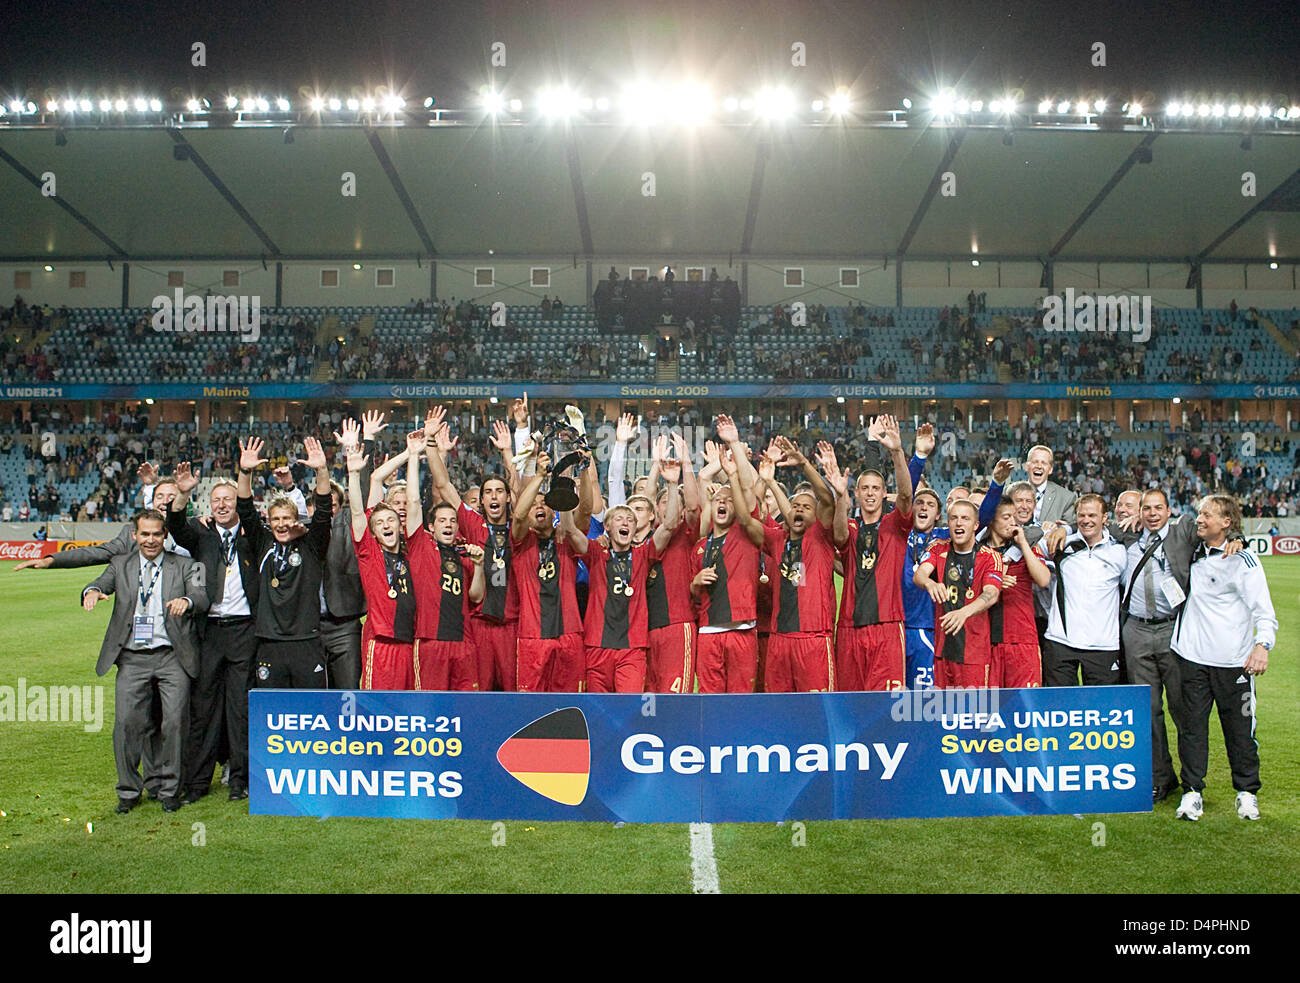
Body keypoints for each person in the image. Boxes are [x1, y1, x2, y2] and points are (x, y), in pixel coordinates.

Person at [81, 510, 208, 813]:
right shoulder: (120, 564)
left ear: (165, 536)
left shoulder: (187, 565)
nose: (150, 540)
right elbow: (99, 582)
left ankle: (169, 790)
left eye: (156, 534)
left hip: (172, 656)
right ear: (134, 535)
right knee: (126, 724)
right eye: (145, 534)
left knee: (175, 722)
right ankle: (128, 791)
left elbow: (202, 596)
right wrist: (93, 591)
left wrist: (187, 601)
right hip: (132, 658)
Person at [1171, 495, 1276, 822]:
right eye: (1199, 513)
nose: (1199, 519)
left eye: (1207, 515)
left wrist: (1263, 645)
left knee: (1240, 730)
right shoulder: (1193, 552)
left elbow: (1264, 611)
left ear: (1226, 522)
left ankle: (1246, 794)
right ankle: (1191, 794)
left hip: (1234, 662)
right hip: (1192, 659)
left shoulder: (1244, 560)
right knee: (1191, 729)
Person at [166, 468, 260, 802]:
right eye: (216, 500)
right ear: (209, 505)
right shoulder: (200, 533)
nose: (221, 505)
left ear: (238, 503)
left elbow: (252, 512)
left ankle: (239, 782)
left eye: (228, 499)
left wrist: (245, 473)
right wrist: (182, 492)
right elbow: (175, 526)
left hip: (245, 631)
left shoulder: (252, 534)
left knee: (240, 710)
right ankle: (196, 784)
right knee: (203, 708)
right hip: (210, 631)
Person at [237, 435, 333, 687]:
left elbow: (323, 512)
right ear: (268, 521)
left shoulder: (311, 545)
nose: (281, 524)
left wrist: (322, 470)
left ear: (297, 518)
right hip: (270, 641)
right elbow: (245, 509)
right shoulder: (262, 543)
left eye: (286, 518)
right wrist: (245, 471)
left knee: (312, 712)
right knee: (271, 711)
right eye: (275, 518)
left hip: (306, 639)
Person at [834, 415, 913, 691]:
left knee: (886, 707)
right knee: (849, 705)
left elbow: (905, 497)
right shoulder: (851, 528)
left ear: (883, 494)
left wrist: (896, 451)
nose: (870, 493)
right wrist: (839, 498)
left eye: (876, 489)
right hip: (848, 628)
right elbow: (839, 535)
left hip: (887, 626)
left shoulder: (894, 527)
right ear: (856, 493)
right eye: (864, 488)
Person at [755, 438, 841, 692]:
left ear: (817, 516)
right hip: (779, 637)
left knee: (817, 710)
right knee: (778, 709)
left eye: (806, 507)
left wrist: (803, 462)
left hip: (813, 637)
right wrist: (765, 480)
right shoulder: (777, 539)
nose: (799, 510)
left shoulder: (820, 536)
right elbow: (751, 516)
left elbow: (826, 499)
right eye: (795, 506)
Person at [403, 427, 486, 691]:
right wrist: (417, 455)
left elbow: (475, 596)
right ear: (431, 527)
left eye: (453, 520)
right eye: (442, 521)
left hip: (464, 641)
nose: (449, 524)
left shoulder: (465, 553)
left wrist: (480, 566)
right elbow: (414, 502)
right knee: (429, 706)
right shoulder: (421, 546)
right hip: (430, 640)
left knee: (467, 708)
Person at [913, 500, 1004, 688]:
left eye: (965, 518)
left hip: (973, 653)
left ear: (976, 525)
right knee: (944, 712)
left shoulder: (990, 556)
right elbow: (919, 575)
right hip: (943, 650)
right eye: (954, 518)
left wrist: (964, 613)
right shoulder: (938, 548)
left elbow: (991, 594)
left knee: (973, 713)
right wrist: (930, 583)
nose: (959, 523)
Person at [1041, 494, 1127, 685]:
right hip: (1060, 640)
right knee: (1059, 709)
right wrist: (1063, 528)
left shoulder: (1119, 552)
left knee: (1101, 710)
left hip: (1103, 645)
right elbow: (1032, 543)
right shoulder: (1061, 544)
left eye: (1092, 515)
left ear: (1105, 518)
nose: (1086, 520)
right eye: (1081, 515)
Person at [983, 500, 1052, 686]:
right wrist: (992, 581)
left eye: (1014, 517)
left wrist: (1023, 544)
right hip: (986, 641)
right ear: (991, 520)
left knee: (1024, 705)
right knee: (989, 707)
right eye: (1006, 517)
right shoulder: (980, 552)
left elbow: (1044, 579)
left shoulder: (1026, 548)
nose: (1012, 522)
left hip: (1021, 639)